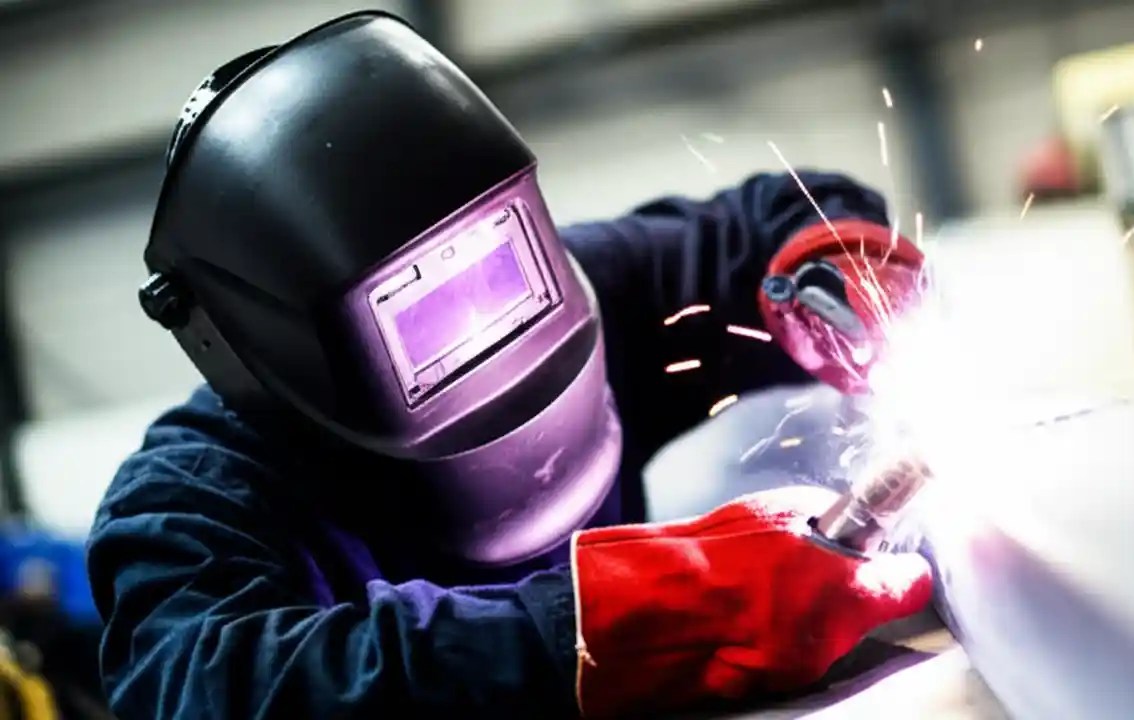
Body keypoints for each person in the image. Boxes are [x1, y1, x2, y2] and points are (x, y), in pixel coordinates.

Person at [86, 11, 933, 719]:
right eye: (409, 309)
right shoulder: (190, 498)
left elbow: (759, 226)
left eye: (495, 259)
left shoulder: (574, 291)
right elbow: (207, 689)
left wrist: (831, 265)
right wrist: (619, 613)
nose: (482, 325)